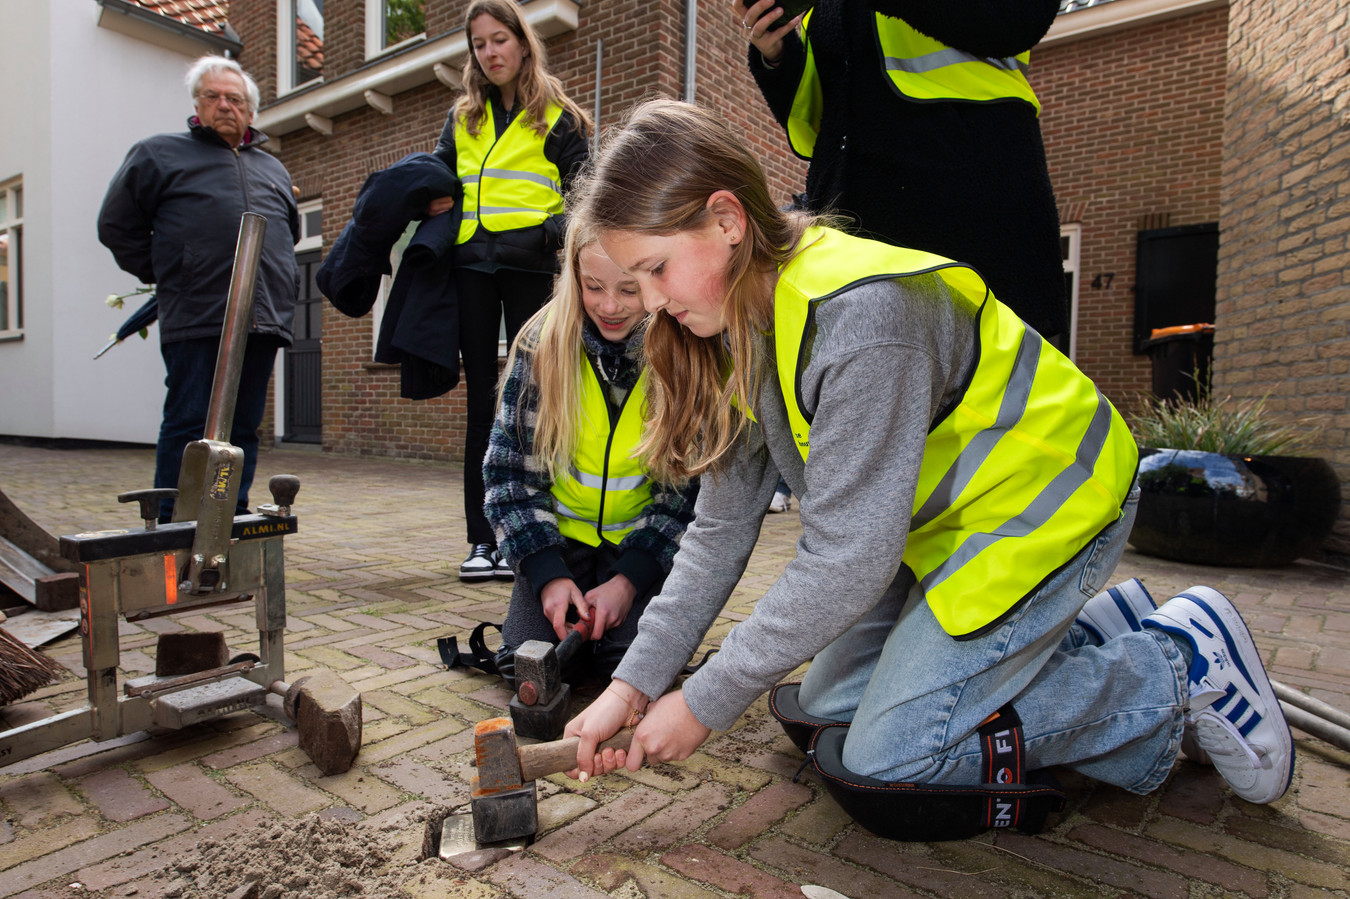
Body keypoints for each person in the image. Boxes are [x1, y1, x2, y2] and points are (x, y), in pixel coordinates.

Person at [562, 101, 1293, 836]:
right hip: (946, 532)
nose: (651, 302)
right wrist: (632, 687)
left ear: (727, 221)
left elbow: (847, 559)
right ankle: (1088, 637)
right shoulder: (741, 324)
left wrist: (703, 701)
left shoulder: (860, 318)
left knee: (890, 759)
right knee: (822, 710)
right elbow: (719, 531)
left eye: (655, 270)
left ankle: (1178, 667)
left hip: (1048, 507)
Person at [732, 0, 1069, 342]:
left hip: (973, 212)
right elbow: (822, 118)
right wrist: (777, 52)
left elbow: (1017, 18)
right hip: (856, 227)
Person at [481, 224, 698, 686]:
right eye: (592, 286)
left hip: (641, 549)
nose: (608, 306)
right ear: (572, 276)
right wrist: (547, 574)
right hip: (556, 545)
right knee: (528, 663)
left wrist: (630, 580)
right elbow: (508, 477)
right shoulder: (542, 345)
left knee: (630, 669)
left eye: (628, 289)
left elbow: (684, 497)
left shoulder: (686, 353)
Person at [428, 0, 592, 582]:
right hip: (472, 270)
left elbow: (585, 194)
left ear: (523, 43)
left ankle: (538, 530)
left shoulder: (560, 115)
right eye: (479, 44)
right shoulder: (461, 118)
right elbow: (439, 182)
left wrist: (544, 234)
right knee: (481, 404)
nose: (490, 52)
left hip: (530, 272)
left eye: (500, 39)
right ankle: (482, 541)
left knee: (535, 399)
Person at [98, 56, 300, 522]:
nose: (225, 106)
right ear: (196, 104)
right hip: (197, 313)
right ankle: (173, 519)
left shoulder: (271, 169)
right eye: (214, 97)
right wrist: (172, 275)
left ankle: (229, 514)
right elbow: (116, 226)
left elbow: (287, 233)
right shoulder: (159, 155)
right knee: (190, 422)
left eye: (235, 99)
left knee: (243, 426)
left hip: (262, 318)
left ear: (250, 111)